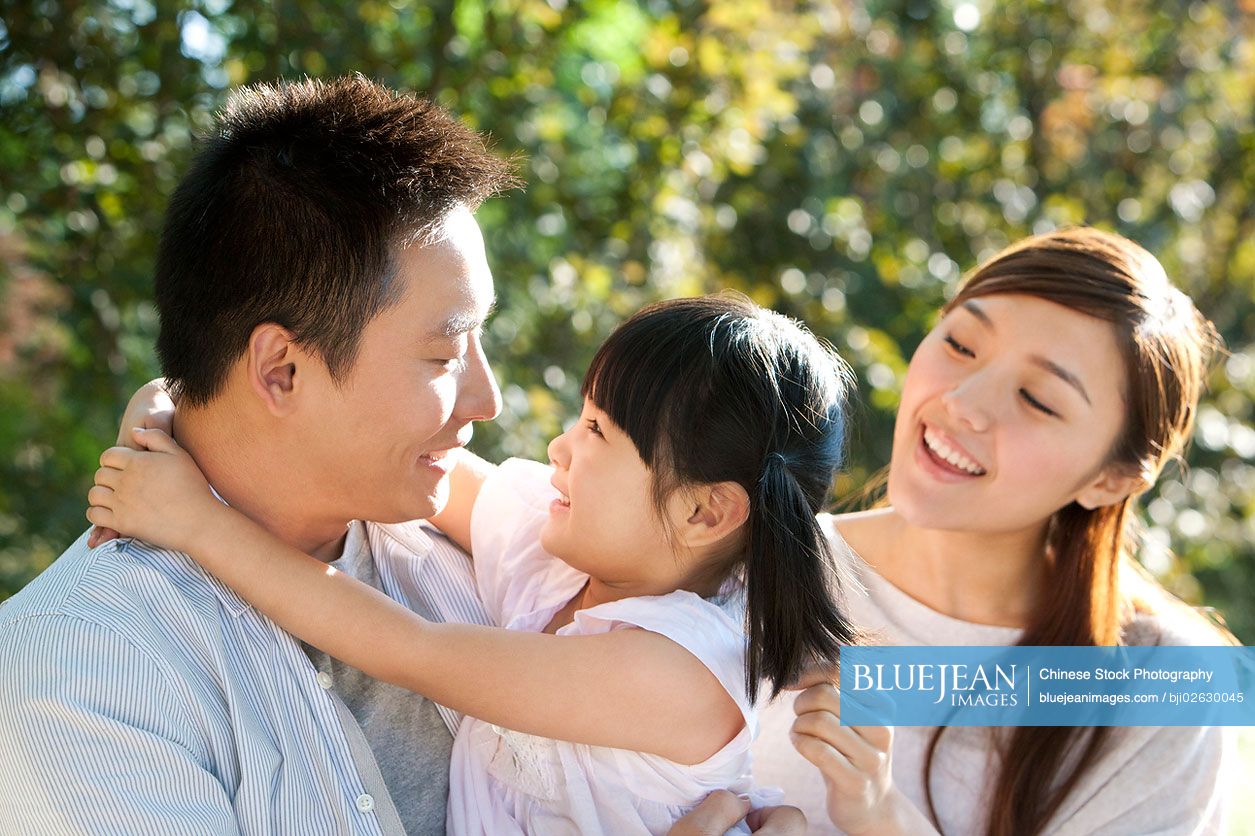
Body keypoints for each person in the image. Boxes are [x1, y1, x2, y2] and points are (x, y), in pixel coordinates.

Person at [0, 77, 797, 835]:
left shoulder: (488, 560)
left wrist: (869, 795)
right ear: (282, 372)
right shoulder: (84, 669)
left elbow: (843, 615)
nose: (490, 402)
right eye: (445, 355)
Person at [88, 295, 857, 834]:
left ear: (703, 512)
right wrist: (181, 413)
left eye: (596, 431)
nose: (559, 446)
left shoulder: (680, 671)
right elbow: (409, 464)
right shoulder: (564, 554)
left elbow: (406, 648)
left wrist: (197, 523)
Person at [750, 228, 1235, 835]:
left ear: (1111, 479)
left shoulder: (1158, 689)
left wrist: (883, 818)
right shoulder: (744, 564)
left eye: (1037, 398)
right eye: (960, 344)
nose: (965, 402)